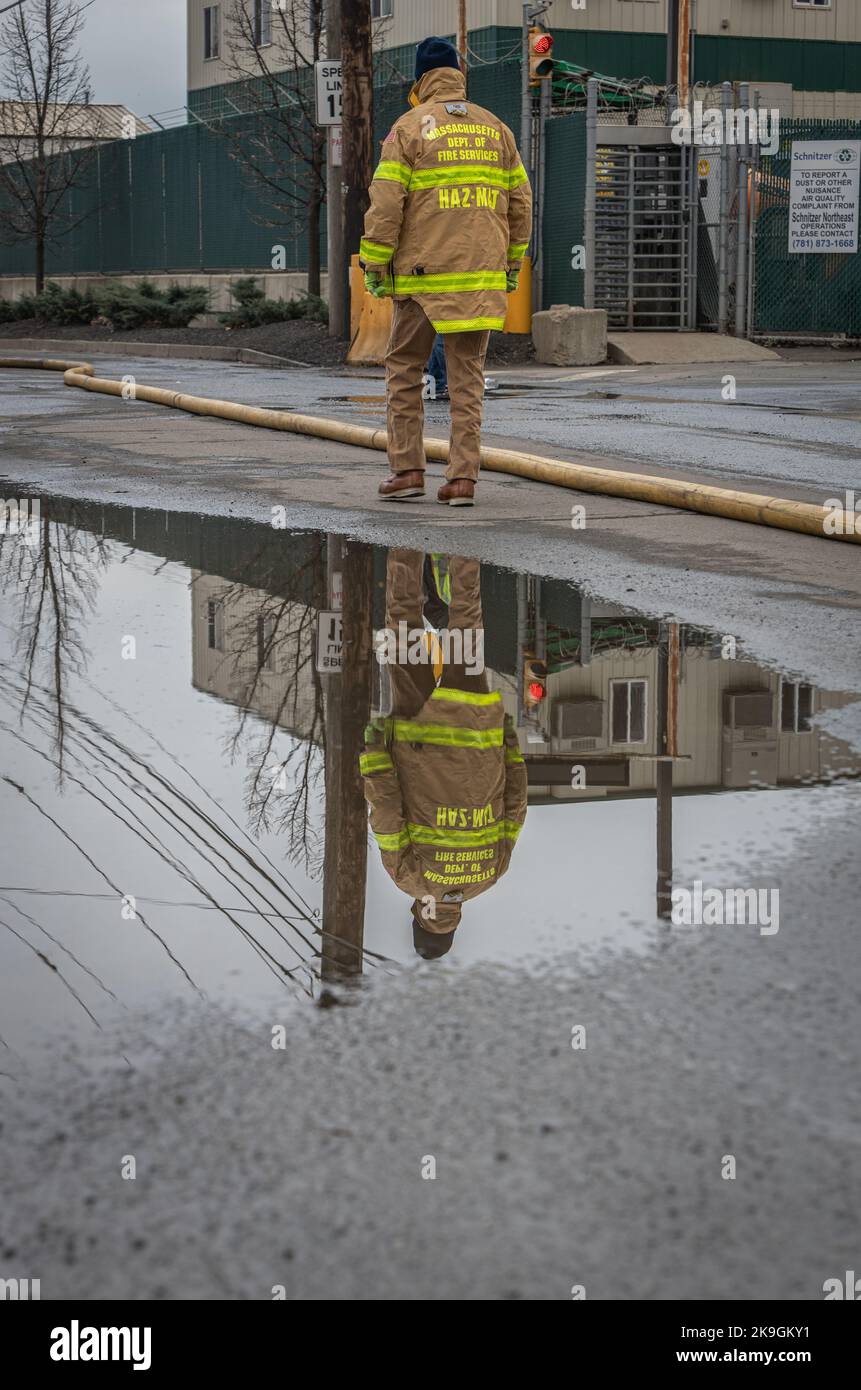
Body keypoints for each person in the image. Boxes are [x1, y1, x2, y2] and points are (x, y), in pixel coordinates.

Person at [359, 35, 532, 507]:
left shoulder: (409, 128)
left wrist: (375, 261)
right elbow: (521, 203)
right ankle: (461, 480)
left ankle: (408, 470)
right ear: (458, 74)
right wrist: (512, 262)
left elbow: (387, 202)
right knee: (467, 381)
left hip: (421, 280)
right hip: (479, 280)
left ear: (420, 80)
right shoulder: (496, 128)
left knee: (404, 370)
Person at [359, 547, 528, 959]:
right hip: (418, 731)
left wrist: (504, 736)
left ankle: (465, 548)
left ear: (456, 922)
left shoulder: (492, 874)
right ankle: (405, 541)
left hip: (475, 727)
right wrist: (373, 752)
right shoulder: (410, 879)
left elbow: (516, 804)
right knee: (403, 627)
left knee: (466, 625)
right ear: (420, 917)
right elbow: (385, 811)